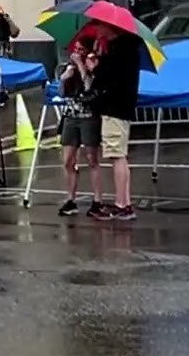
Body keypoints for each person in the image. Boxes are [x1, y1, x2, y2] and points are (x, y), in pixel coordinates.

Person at [86, 22, 141, 221]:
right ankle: (125, 202)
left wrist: (94, 67)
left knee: (116, 155)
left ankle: (121, 204)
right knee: (121, 155)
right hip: (124, 107)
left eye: (99, 26)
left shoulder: (119, 51)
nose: (97, 31)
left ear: (110, 27)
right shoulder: (129, 48)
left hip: (114, 108)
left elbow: (107, 78)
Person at [56, 40, 103, 217]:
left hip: (88, 117)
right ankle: (70, 199)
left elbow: (90, 88)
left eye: (81, 49)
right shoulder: (69, 68)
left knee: (92, 159)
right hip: (70, 116)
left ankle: (97, 200)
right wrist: (64, 78)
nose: (77, 53)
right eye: (75, 49)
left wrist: (82, 66)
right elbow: (62, 93)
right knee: (68, 160)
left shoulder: (92, 64)